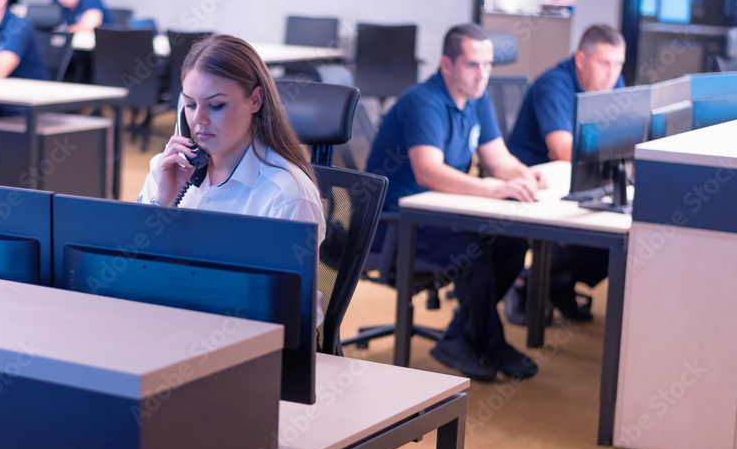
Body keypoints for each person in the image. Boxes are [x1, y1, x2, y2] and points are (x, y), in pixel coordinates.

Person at [365, 23, 543, 382]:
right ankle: (491, 342)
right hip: (397, 224)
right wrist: (492, 189)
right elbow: (428, 172)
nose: (483, 75)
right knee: (473, 250)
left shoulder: (477, 99)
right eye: (473, 65)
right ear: (447, 65)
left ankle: (460, 337)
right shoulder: (423, 102)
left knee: (511, 243)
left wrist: (525, 174)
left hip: (441, 217)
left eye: (489, 65)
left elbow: (497, 160)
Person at [137, 34, 326, 324]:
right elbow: (130, 271)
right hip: (173, 324)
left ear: (255, 100)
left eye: (215, 105)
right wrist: (163, 203)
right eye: (189, 104)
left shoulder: (286, 195)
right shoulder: (168, 170)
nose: (198, 120)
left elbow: (287, 315)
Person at [503, 24, 626, 325]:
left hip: (580, 181)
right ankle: (526, 283)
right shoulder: (554, 85)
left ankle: (557, 282)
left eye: (619, 63)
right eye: (605, 63)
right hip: (537, 185)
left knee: (622, 237)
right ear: (582, 60)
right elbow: (562, 149)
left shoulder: (611, 83)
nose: (613, 73)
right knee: (602, 231)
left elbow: (625, 132)